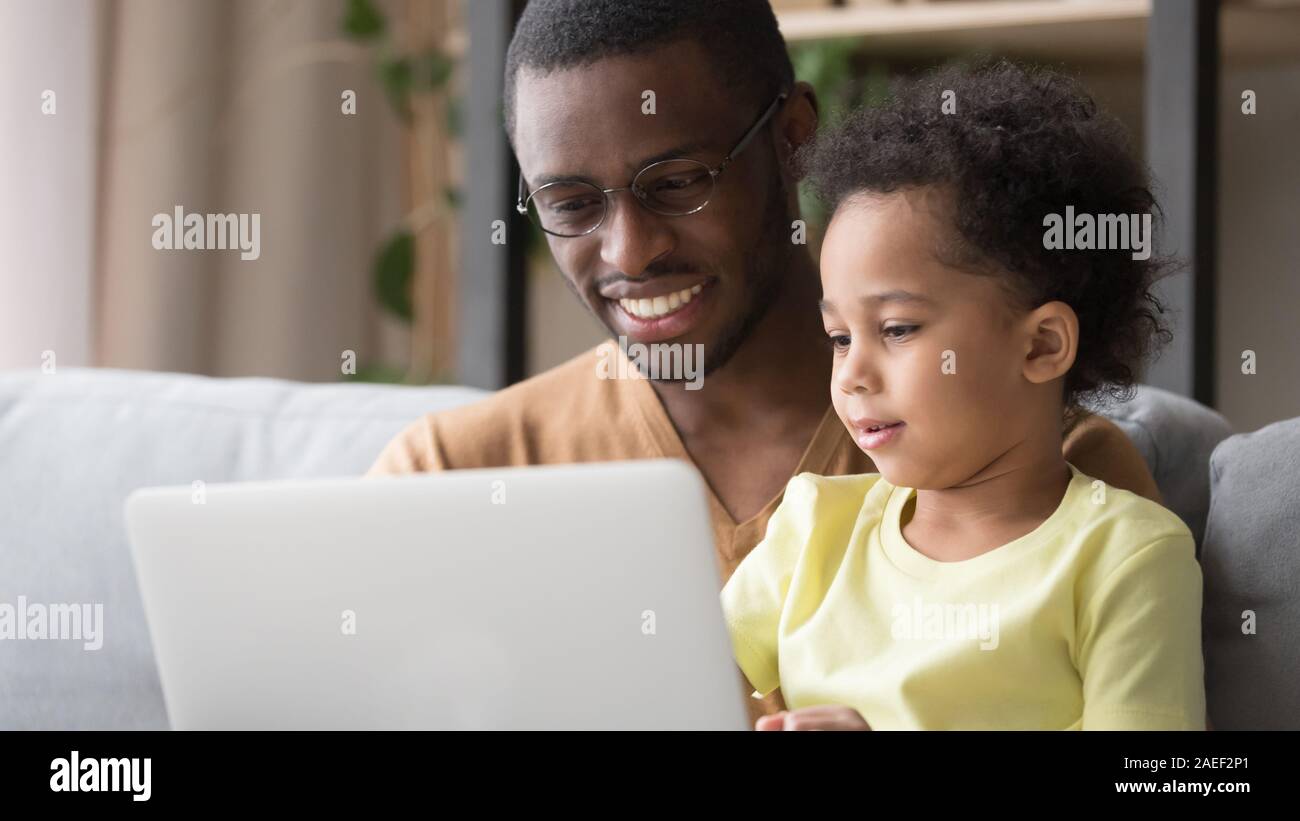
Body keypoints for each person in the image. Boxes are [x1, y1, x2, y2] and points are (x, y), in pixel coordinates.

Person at [366, 1, 1163, 726]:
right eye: (571, 204)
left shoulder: (1048, 482)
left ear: (792, 140)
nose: (630, 251)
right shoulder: (448, 475)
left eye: (678, 183)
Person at [721, 61, 1204, 730]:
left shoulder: (1125, 556)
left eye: (895, 328)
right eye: (837, 336)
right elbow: (665, 684)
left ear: (1040, 346)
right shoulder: (812, 530)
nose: (852, 372)